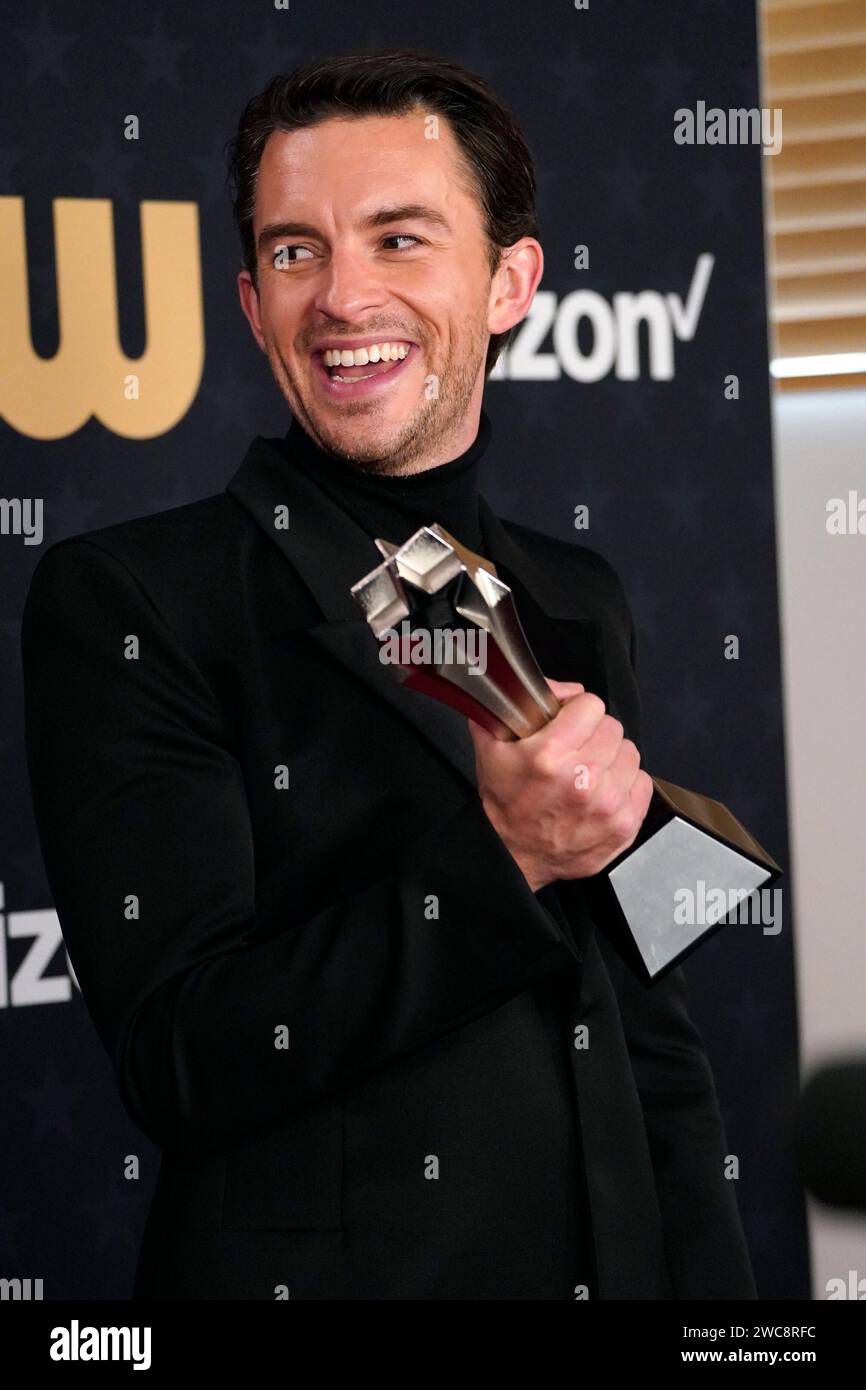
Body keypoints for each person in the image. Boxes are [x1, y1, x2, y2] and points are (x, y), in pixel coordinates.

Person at [21, 48, 757, 1300]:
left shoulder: (577, 597)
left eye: (400, 239)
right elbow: (183, 1058)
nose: (342, 296)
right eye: (295, 251)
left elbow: (648, 1034)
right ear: (251, 304)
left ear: (511, 281)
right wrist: (504, 856)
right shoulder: (136, 600)